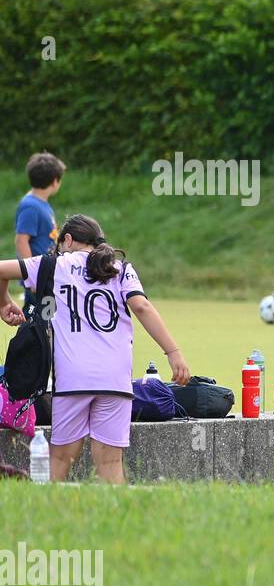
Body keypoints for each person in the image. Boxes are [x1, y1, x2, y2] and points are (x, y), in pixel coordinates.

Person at [0, 214, 191, 483]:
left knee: (59, 461)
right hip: (116, 380)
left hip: (73, 380)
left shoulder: (54, 265)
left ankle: (47, 520)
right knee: (111, 464)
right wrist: (173, 352)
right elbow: (141, 306)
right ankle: (117, 522)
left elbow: (0, 270)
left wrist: (4, 302)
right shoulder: (120, 268)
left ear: (67, 240)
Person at [5, 151, 63, 323]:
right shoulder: (30, 206)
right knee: (35, 326)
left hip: (47, 279)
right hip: (38, 281)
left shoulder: (42, 204)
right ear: (55, 181)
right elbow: (21, 240)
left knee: (50, 325)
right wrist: (32, 277)